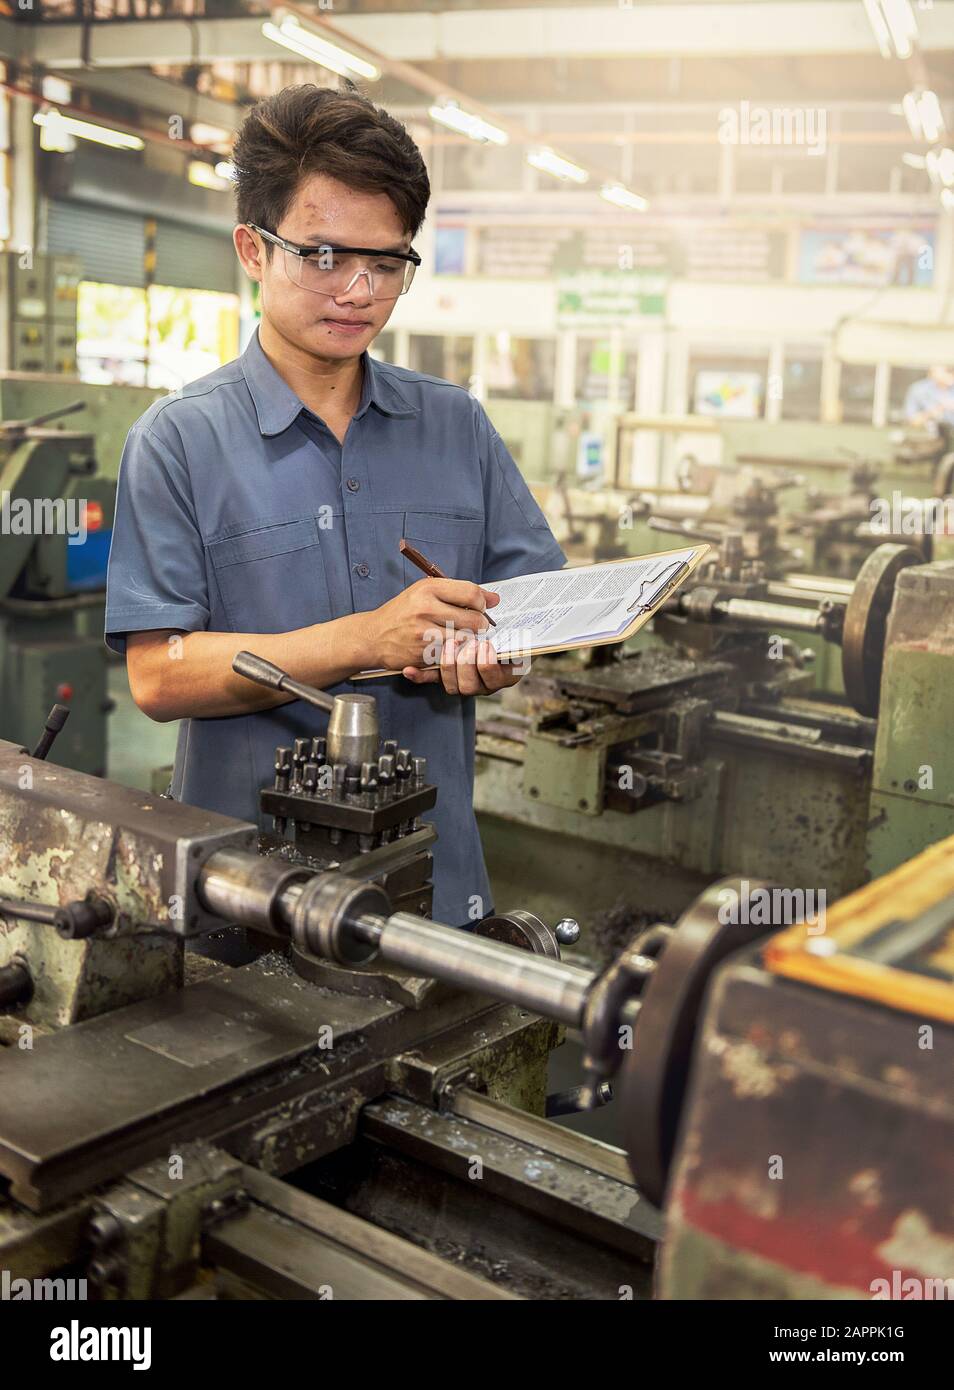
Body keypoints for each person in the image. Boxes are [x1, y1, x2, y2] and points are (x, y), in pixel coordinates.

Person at [105, 85, 565, 929]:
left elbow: (533, 608)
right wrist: (367, 639)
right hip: (247, 895)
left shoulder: (456, 426)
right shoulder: (177, 443)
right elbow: (159, 673)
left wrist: (504, 655)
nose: (357, 288)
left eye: (386, 263)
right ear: (253, 248)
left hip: (436, 887)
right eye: (322, 255)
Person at [903, 365, 954, 429]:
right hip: (929, 435)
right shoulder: (919, 390)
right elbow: (911, 420)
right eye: (948, 370)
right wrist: (933, 412)